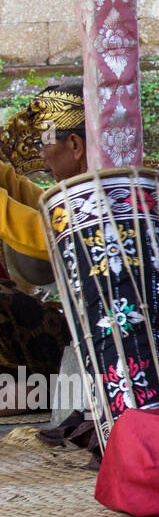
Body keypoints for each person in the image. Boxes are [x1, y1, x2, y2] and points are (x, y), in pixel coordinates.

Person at [0, 84, 85, 396]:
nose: (39, 151)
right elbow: (40, 206)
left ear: (75, 144)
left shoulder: (105, 190)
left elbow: (51, 236)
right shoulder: (74, 191)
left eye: (44, 141)